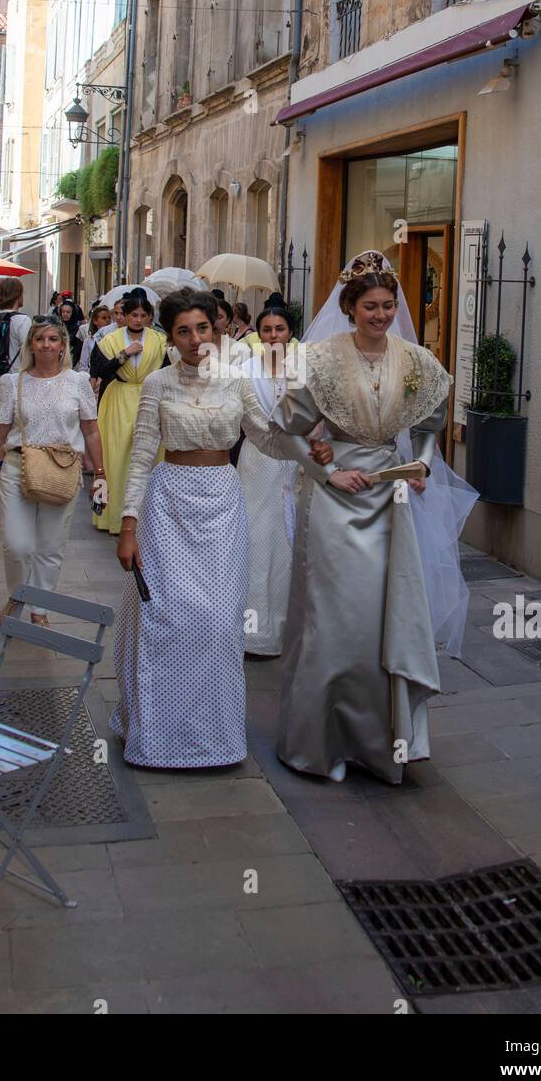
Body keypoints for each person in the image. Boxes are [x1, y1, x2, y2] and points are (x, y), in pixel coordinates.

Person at [270, 251, 476, 785]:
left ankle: (383, 745)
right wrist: (327, 472)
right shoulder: (318, 359)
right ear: (349, 307)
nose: (381, 315)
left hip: (391, 500)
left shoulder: (417, 361)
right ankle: (322, 743)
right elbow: (286, 430)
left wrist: (422, 467)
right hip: (336, 500)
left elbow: (431, 424)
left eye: (388, 305)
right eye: (370, 306)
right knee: (336, 623)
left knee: (386, 620)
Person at [111, 287, 332, 769]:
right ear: (169, 337)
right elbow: (143, 454)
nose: (194, 339)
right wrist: (129, 525)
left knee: (215, 623)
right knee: (165, 619)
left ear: (218, 329)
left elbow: (269, 439)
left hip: (223, 505)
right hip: (168, 503)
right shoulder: (157, 385)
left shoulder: (236, 382)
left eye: (202, 328)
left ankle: (214, 739)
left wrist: (310, 452)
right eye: (183, 331)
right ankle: (157, 738)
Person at [0, 316, 105, 625]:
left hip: (62, 468)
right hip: (19, 467)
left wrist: (100, 474)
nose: (46, 344)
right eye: (40, 338)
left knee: (50, 546)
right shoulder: (12, 382)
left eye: (53, 339)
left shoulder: (77, 382)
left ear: (62, 345)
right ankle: (18, 595)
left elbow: (91, 430)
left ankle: (39, 610)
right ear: (30, 343)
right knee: (17, 545)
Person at [237, 299, 302, 658]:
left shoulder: (303, 370)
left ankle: (284, 630)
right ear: (258, 335)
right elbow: (246, 419)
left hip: (294, 464)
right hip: (257, 461)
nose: (273, 335)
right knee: (255, 540)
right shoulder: (244, 370)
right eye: (266, 330)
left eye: (280, 329)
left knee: (288, 543)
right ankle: (251, 632)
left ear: (290, 333)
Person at [90, 289, 167, 534]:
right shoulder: (110, 340)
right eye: (133, 314)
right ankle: (112, 516)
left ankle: (147, 516)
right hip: (119, 398)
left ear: (149, 316)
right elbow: (100, 369)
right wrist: (124, 354)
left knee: (150, 456)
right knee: (116, 456)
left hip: (149, 398)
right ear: (124, 315)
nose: (138, 319)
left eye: (143, 315)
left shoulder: (159, 340)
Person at [0, 277, 32, 469]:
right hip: (15, 378)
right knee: (18, 427)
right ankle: (14, 469)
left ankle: (1, 469)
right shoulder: (21, 320)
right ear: (17, 295)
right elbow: (29, 351)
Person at [78, 305, 113, 375]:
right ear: (95, 321)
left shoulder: (113, 338)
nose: (108, 320)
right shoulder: (89, 341)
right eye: (104, 318)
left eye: (109, 318)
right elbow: (83, 364)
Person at [57, 299, 84, 366]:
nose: (65, 314)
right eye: (63, 312)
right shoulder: (57, 326)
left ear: (73, 313)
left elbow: (78, 349)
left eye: (68, 312)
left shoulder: (78, 329)